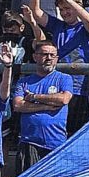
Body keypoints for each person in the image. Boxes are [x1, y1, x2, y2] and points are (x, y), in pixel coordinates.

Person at [12, 40, 75, 170]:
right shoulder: (24, 82)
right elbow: (18, 105)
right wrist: (45, 106)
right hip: (29, 142)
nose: (49, 58)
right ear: (35, 57)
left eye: (53, 55)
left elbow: (63, 99)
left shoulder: (64, 78)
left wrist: (34, 97)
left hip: (56, 143)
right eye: (45, 54)